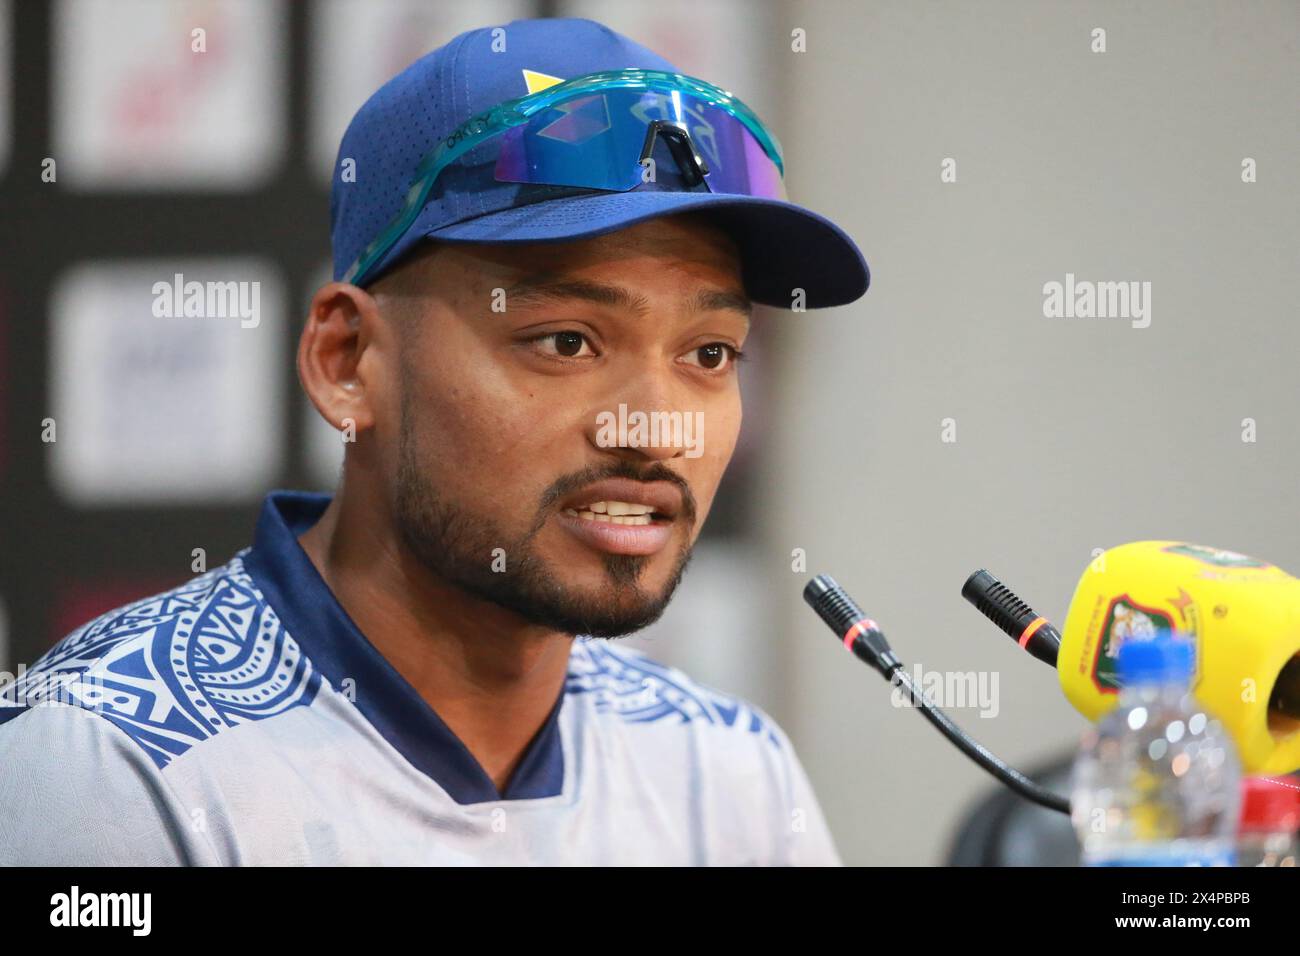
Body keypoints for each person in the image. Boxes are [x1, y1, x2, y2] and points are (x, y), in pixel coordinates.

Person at [0, 17, 868, 865]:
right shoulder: (111, 768)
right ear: (348, 361)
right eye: (566, 341)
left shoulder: (728, 773)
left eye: (710, 354)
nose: (652, 428)